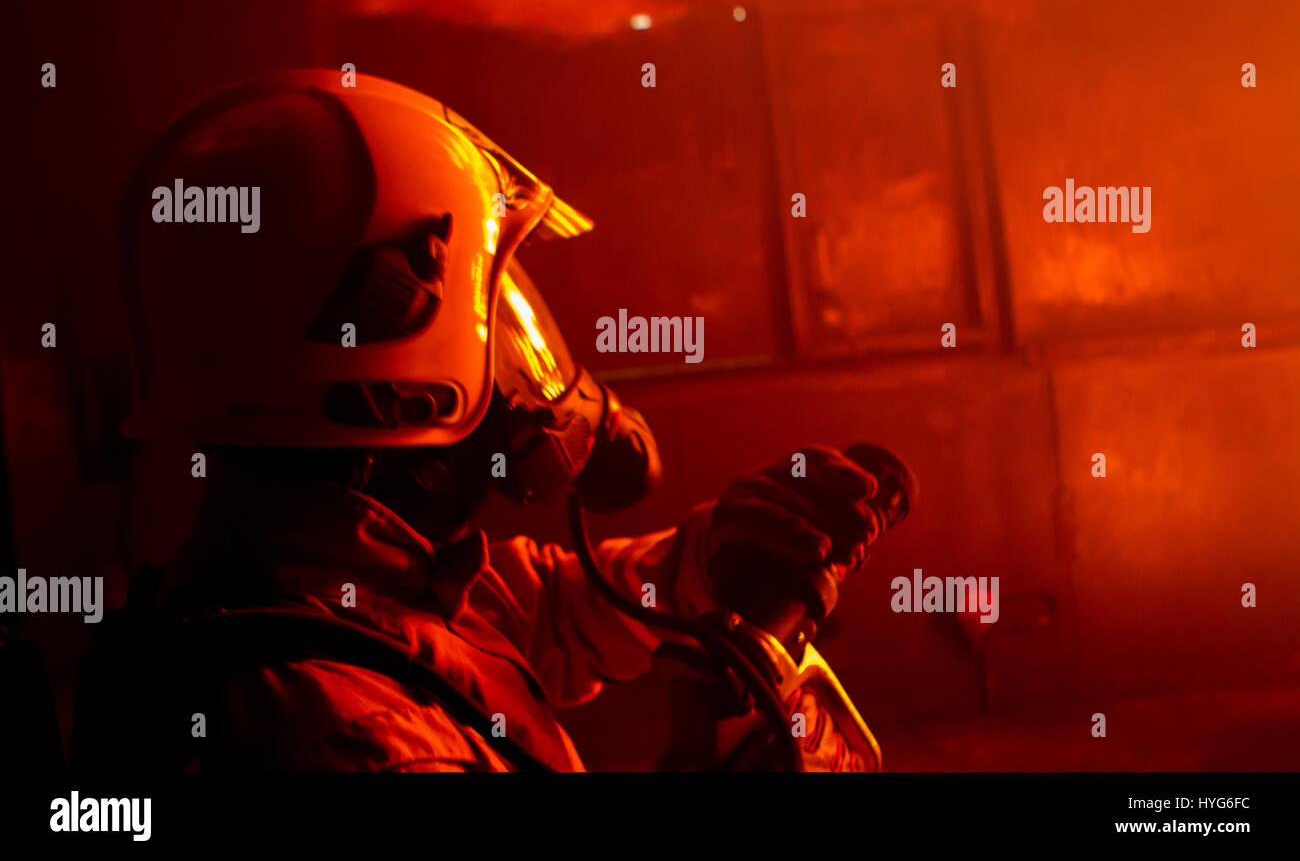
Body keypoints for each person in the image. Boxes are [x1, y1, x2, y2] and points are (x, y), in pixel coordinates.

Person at [72, 71, 894, 771]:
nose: (517, 362)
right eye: (493, 308)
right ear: (395, 357)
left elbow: (554, 609)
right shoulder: (364, 739)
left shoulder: (318, 598)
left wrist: (714, 560)